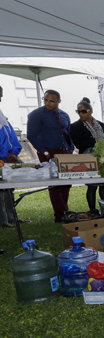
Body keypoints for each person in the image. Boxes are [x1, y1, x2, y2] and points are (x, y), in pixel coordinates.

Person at [27, 89, 74, 222]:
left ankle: (65, 211)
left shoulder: (64, 115)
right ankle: (60, 215)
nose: (48, 103)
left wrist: (70, 149)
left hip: (64, 151)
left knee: (66, 182)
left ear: (59, 101)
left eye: (52, 101)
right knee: (55, 184)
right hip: (48, 152)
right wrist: (44, 152)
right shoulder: (36, 115)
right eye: (46, 100)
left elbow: (68, 132)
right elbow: (31, 135)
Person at [70, 97, 104, 211]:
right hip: (87, 160)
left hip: (103, 159)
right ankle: (92, 211)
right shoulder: (75, 126)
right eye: (78, 111)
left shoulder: (102, 125)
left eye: (83, 111)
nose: (81, 114)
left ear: (90, 111)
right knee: (92, 187)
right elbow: (78, 144)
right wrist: (95, 142)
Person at [0, 84, 24, 229]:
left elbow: (10, 135)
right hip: (2, 157)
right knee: (1, 190)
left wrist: (14, 152)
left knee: (9, 187)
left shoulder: (1, 114)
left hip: (8, 156)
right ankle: (3, 220)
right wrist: (3, 154)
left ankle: (11, 216)